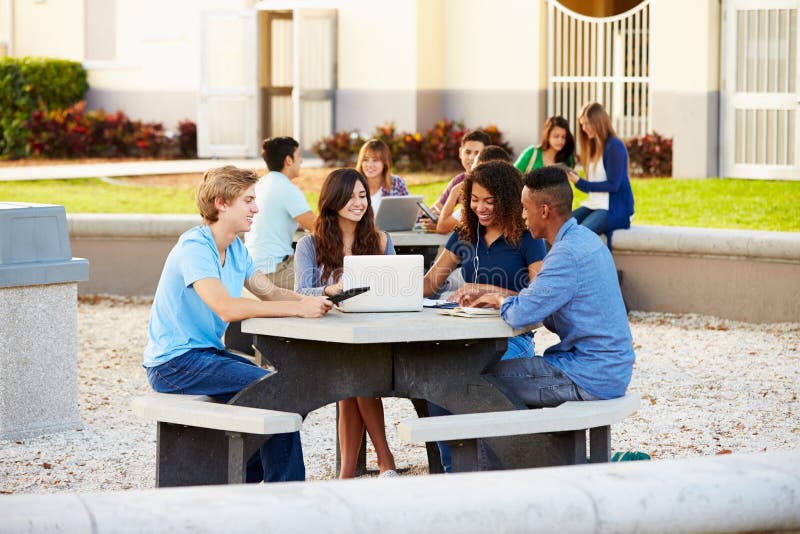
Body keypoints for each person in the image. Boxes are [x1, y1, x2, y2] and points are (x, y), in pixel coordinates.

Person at [143, 165, 333, 483]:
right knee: (278, 393)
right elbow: (227, 308)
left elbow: (269, 291)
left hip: (205, 355)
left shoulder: (235, 249)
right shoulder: (195, 247)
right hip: (173, 364)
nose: (256, 208)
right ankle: (283, 495)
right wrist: (298, 312)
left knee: (282, 394)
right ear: (221, 203)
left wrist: (315, 301)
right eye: (248, 200)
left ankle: (236, 477)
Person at [467, 165, 635, 411]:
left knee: (475, 380)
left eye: (525, 208)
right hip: (609, 370)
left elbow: (520, 314)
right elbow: (539, 301)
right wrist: (498, 295)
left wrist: (500, 301)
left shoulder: (565, 255)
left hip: (587, 375)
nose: (522, 216)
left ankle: (519, 450)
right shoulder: (585, 238)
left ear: (544, 211)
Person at [422, 160, 548, 472]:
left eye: (490, 201)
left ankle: (488, 468)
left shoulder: (527, 237)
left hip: (511, 339)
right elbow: (428, 285)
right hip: (465, 335)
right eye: (475, 200)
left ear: (507, 199)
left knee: (471, 379)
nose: (481, 208)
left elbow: (541, 297)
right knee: (434, 381)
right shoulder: (465, 234)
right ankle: (454, 471)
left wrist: (489, 290)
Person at [294, 168, 399, 479]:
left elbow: (393, 288)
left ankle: (347, 475)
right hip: (326, 337)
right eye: (351, 196)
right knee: (356, 376)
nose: (359, 202)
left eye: (363, 195)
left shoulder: (381, 240)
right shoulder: (310, 245)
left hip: (370, 335)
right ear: (333, 200)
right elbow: (301, 292)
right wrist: (329, 290)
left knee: (355, 377)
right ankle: (385, 460)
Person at [245, 136, 316, 289]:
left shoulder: (261, 184)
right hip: (274, 269)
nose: (301, 161)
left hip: (254, 266)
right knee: (327, 277)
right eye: (298, 156)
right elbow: (318, 227)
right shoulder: (286, 188)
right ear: (288, 160)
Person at [568, 102, 634, 247]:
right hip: (594, 205)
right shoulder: (593, 147)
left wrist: (582, 183)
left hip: (613, 209)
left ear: (598, 122)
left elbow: (613, 185)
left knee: (579, 234)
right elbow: (591, 188)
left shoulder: (614, 146)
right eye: (582, 124)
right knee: (561, 226)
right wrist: (576, 180)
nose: (584, 129)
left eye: (586, 124)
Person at [420, 129, 491, 234]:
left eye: (477, 153)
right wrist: (435, 218)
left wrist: (445, 223)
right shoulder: (458, 181)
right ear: (460, 153)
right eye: (467, 152)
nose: (471, 158)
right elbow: (436, 209)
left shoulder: (490, 182)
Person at [436, 145, 511, 237]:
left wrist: (454, 192)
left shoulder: (479, 206)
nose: (471, 175)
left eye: (475, 170)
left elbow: (442, 227)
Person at [355, 139, 409, 215]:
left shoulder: (396, 183)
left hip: (391, 227)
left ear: (384, 163)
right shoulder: (353, 185)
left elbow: (411, 213)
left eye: (375, 160)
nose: (370, 165)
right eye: (365, 160)